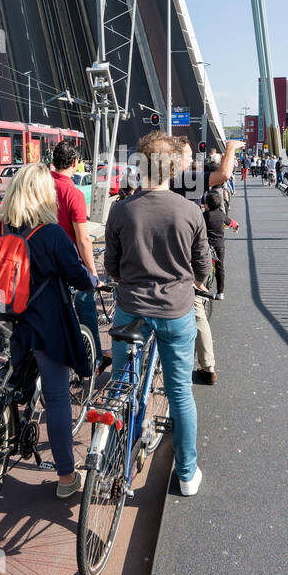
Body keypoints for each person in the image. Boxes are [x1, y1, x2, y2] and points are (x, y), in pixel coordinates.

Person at [0, 163, 99, 498]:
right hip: (44, 325)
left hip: (3, 316)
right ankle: (65, 478)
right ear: (44, 195)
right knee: (58, 397)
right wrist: (93, 280)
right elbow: (76, 275)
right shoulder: (50, 233)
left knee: (2, 385)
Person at [105, 131, 211, 497]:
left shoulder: (121, 209)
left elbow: (112, 265)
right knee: (180, 392)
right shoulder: (190, 211)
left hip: (130, 309)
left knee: (120, 387)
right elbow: (202, 268)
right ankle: (186, 474)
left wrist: (126, 277)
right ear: (174, 169)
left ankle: (112, 463)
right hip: (174, 311)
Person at [50, 139, 107, 373]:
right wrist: (93, 274)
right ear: (75, 163)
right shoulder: (73, 193)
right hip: (67, 262)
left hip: (42, 261)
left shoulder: (42, 186)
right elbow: (83, 239)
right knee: (86, 304)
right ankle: (93, 357)